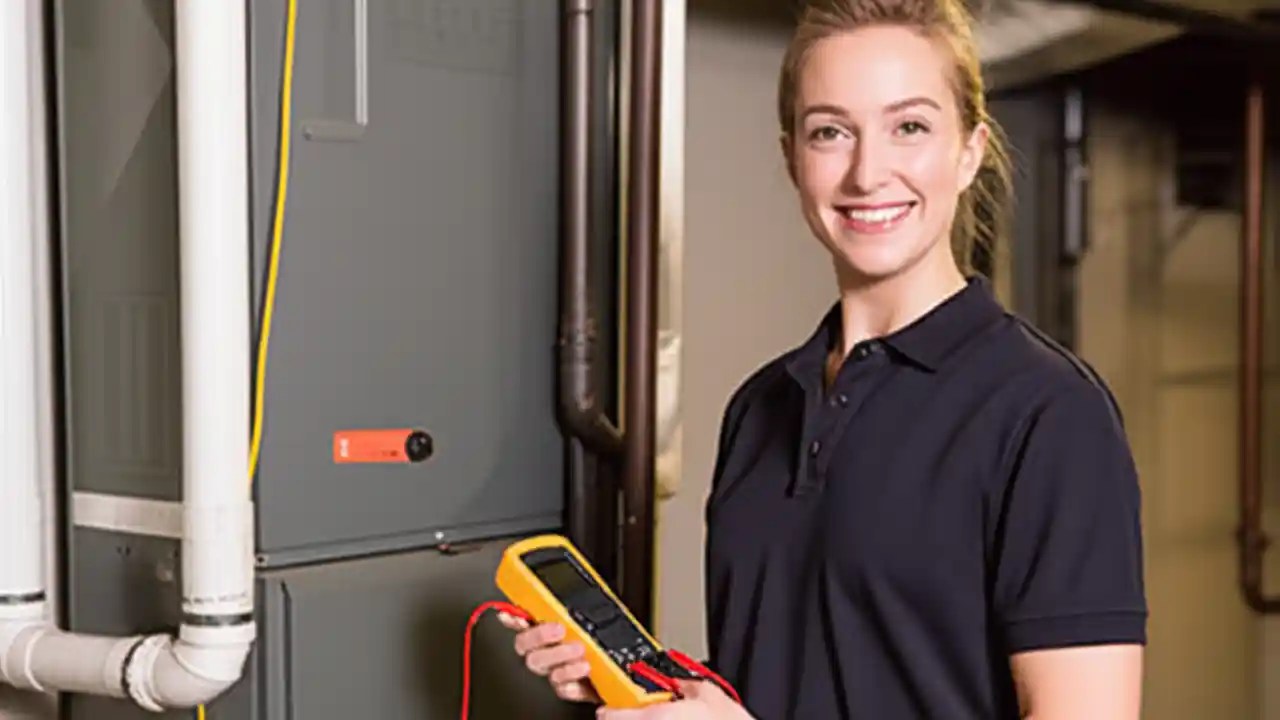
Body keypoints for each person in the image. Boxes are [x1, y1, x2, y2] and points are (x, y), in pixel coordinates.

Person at [500, 0, 1147, 717]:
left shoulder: (1048, 414)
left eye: (910, 127)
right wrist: (661, 696)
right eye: (831, 132)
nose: (868, 173)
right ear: (792, 158)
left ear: (969, 151)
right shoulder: (761, 407)